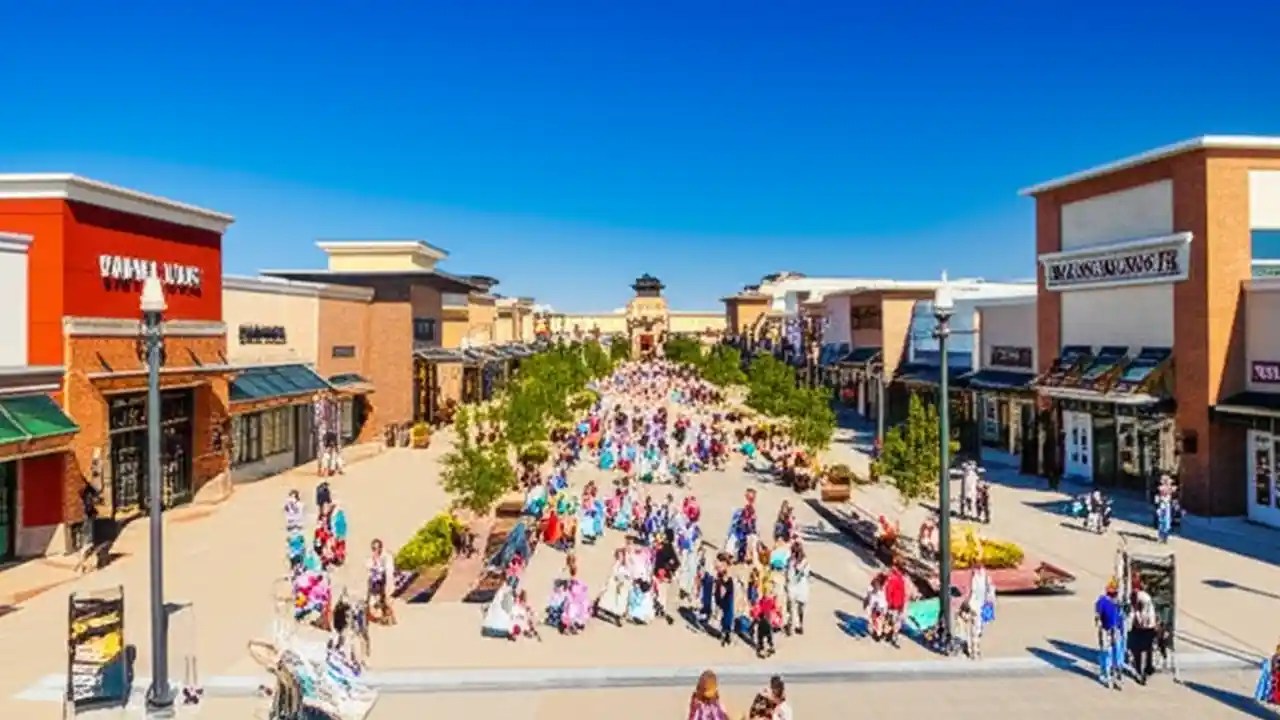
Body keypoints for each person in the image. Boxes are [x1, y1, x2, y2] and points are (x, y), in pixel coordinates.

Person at [1095, 579, 1125, 689]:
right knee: (1106, 653)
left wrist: (1121, 631)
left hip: (1116, 630)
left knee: (1117, 653)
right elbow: (1098, 615)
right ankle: (1105, 674)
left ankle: (1117, 675)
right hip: (1105, 630)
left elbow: (1120, 617)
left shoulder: (1118, 603)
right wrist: (1099, 624)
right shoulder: (1102, 601)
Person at [1129, 584, 1158, 684]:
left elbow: (1138, 612)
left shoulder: (1139, 597)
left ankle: (1140, 672)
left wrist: (1137, 619)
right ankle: (1148, 667)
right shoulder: (1145, 597)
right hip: (1150, 626)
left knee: (1139, 650)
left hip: (1143, 628)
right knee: (1148, 648)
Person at [366, 538, 396, 625]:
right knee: (373, 600)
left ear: (380, 548)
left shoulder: (386, 557)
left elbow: (388, 570)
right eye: (373, 548)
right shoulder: (372, 558)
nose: (375, 550)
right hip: (375, 581)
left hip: (384, 580)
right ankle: (381, 617)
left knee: (385, 600)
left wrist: (388, 584)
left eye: (377, 548)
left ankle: (389, 618)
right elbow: (369, 568)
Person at [785, 543, 810, 635]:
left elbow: (787, 575)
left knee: (791, 608)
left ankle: (791, 626)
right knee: (801, 608)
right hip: (802, 587)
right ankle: (799, 625)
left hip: (792, 587)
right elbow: (807, 574)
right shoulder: (805, 561)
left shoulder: (789, 561)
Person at [884, 560, 908, 647]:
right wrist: (890, 602)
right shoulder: (894, 577)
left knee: (895, 621)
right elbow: (889, 591)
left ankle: (891, 636)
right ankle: (891, 636)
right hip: (894, 604)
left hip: (898, 603)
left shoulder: (900, 577)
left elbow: (901, 592)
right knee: (893, 621)